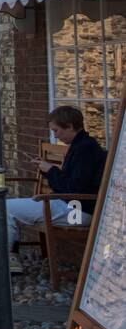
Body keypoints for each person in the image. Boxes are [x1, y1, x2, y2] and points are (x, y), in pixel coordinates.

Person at [6, 106, 108, 274]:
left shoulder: (85, 149)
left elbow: (74, 189)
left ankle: (9, 260)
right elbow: (71, 183)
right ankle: (10, 256)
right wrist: (47, 168)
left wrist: (50, 170)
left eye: (57, 130)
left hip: (78, 211)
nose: (55, 135)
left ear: (69, 126)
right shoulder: (81, 145)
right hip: (72, 204)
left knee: (6, 208)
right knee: (8, 207)